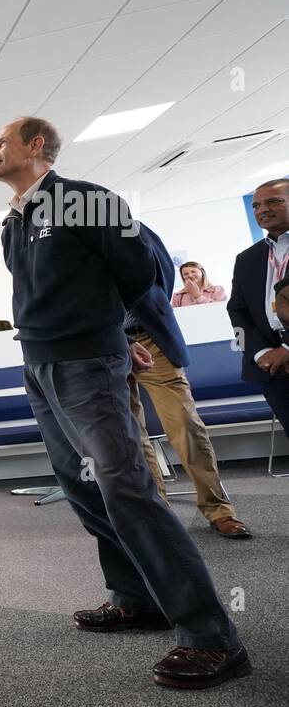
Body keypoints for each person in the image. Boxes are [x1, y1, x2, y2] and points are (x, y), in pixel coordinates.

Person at [0, 114, 248, 690]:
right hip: (41, 365)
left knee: (127, 490)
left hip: (85, 364)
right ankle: (136, 598)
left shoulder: (84, 201)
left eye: (1, 142)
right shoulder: (14, 224)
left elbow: (146, 266)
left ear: (35, 146)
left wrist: (124, 334)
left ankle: (212, 636)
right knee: (83, 490)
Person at [126, 228, 251, 539]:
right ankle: (159, 517)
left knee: (186, 427)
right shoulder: (66, 244)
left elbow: (163, 276)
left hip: (151, 339)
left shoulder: (132, 231)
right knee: (130, 436)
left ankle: (219, 509)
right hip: (107, 347)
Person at [229, 178, 289, 440]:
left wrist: (287, 350)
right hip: (271, 367)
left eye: (273, 201)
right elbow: (237, 311)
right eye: (256, 206)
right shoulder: (247, 259)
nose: (262, 210)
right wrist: (261, 352)